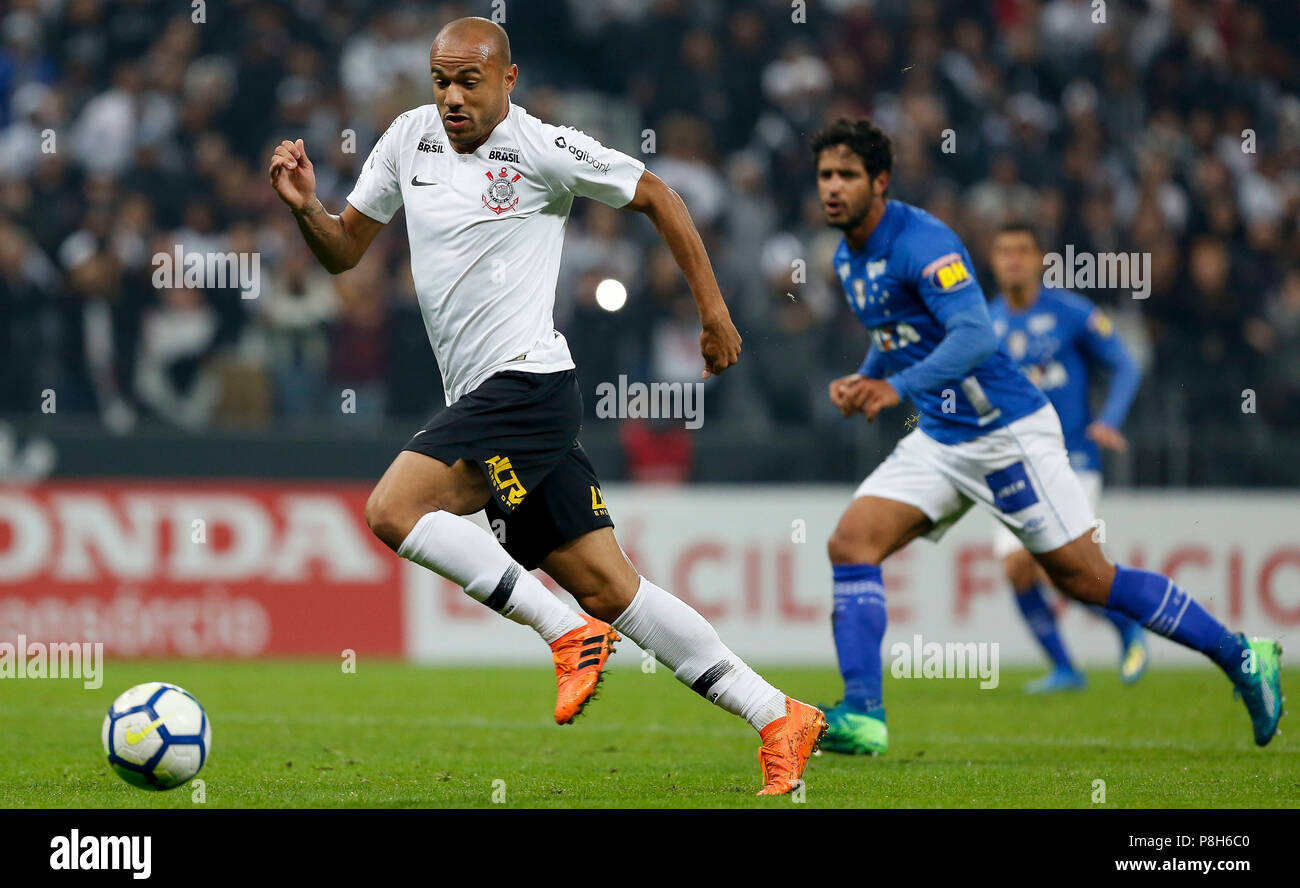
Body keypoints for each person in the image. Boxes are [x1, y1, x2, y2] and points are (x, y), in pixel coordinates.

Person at [268, 17, 824, 795]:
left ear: (508, 79)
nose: (453, 96)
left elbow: (657, 194)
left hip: (524, 386)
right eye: (441, 81)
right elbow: (345, 249)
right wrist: (304, 209)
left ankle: (565, 633)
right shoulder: (406, 138)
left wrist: (714, 312)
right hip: (492, 401)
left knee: (393, 508)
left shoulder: (542, 148)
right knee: (611, 586)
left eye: (469, 80)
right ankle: (779, 715)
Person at [811, 117, 1281, 756]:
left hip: (1007, 433)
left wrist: (896, 389)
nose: (832, 188)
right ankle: (865, 714)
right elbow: (892, 332)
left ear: (881, 181)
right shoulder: (847, 257)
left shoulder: (924, 241)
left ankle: (1241, 655)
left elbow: (975, 337)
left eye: (847, 175)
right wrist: (865, 376)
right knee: (850, 542)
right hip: (943, 441)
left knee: (1087, 579)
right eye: (825, 176)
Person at [987, 222, 1147, 693]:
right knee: (1018, 568)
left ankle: (1128, 627)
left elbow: (1125, 363)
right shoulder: (986, 323)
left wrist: (1110, 419)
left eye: (1021, 250)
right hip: (1009, 462)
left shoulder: (1073, 313)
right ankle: (1066, 668)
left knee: (1060, 567)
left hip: (1070, 459)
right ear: (993, 261)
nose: (1012, 259)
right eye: (1003, 251)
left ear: (1039, 260)